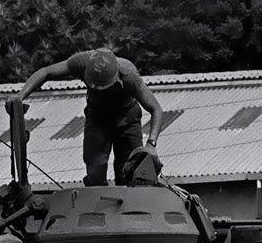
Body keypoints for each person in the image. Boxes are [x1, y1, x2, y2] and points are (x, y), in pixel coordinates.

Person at [10, 48, 165, 187]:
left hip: (126, 117)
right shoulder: (81, 62)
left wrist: (151, 144)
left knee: (129, 171)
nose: (99, 90)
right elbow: (46, 72)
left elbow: (156, 109)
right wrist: (20, 96)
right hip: (97, 117)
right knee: (95, 170)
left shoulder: (129, 75)